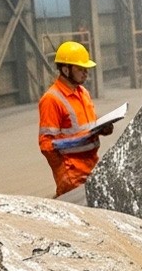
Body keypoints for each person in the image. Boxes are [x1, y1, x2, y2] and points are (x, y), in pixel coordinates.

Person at [39, 41, 110, 196]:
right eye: (80, 69)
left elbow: (87, 125)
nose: (85, 73)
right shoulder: (51, 99)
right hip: (72, 177)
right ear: (65, 69)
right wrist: (65, 172)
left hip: (91, 168)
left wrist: (102, 127)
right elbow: (46, 145)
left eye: (86, 69)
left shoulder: (83, 92)